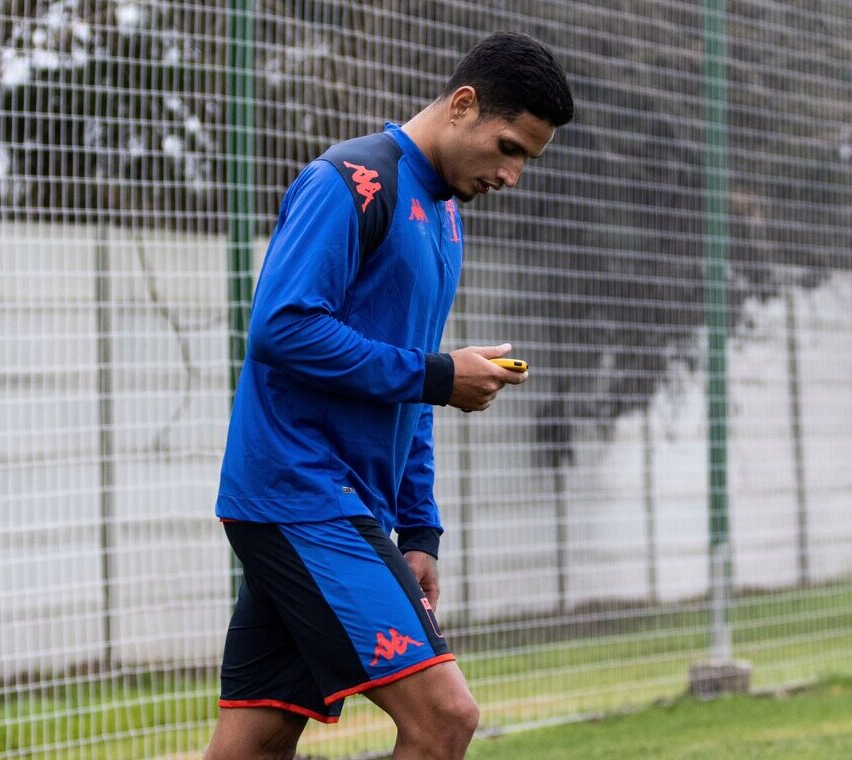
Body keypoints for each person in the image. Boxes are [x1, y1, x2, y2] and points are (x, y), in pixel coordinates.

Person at [206, 31, 574, 760]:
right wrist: (442, 375)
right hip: (302, 495)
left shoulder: (444, 218)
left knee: (255, 740)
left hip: (346, 505)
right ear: (463, 105)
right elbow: (282, 328)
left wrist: (420, 528)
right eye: (507, 148)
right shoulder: (349, 181)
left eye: (527, 160)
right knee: (445, 719)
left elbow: (411, 377)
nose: (512, 174)